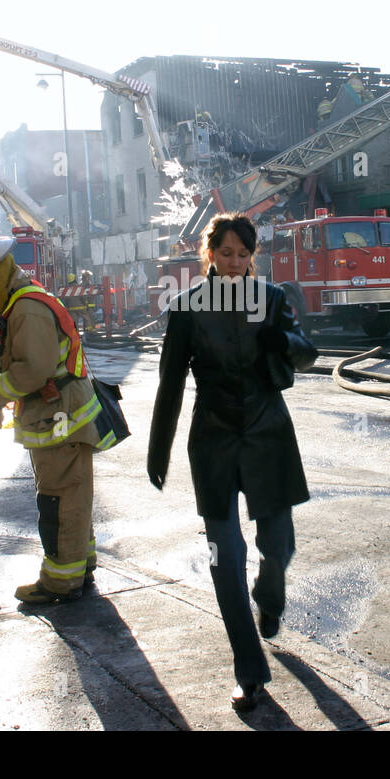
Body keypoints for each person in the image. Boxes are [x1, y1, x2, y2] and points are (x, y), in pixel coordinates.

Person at [147, 212, 317, 712]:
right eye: (226, 253)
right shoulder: (187, 308)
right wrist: (158, 452)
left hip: (269, 436)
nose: (236, 263)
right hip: (215, 442)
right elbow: (171, 383)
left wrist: (281, 340)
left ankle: (271, 591)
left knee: (279, 545)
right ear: (210, 255)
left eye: (244, 254)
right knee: (225, 559)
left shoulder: (274, 298)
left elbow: (308, 354)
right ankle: (249, 670)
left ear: (252, 256)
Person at [0, 232, 106, 605]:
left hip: (59, 416)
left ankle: (61, 582)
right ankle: (79, 565)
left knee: (60, 499)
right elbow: (5, 353)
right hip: (53, 415)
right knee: (70, 496)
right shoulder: (15, 303)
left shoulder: (26, 309)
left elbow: (32, 371)